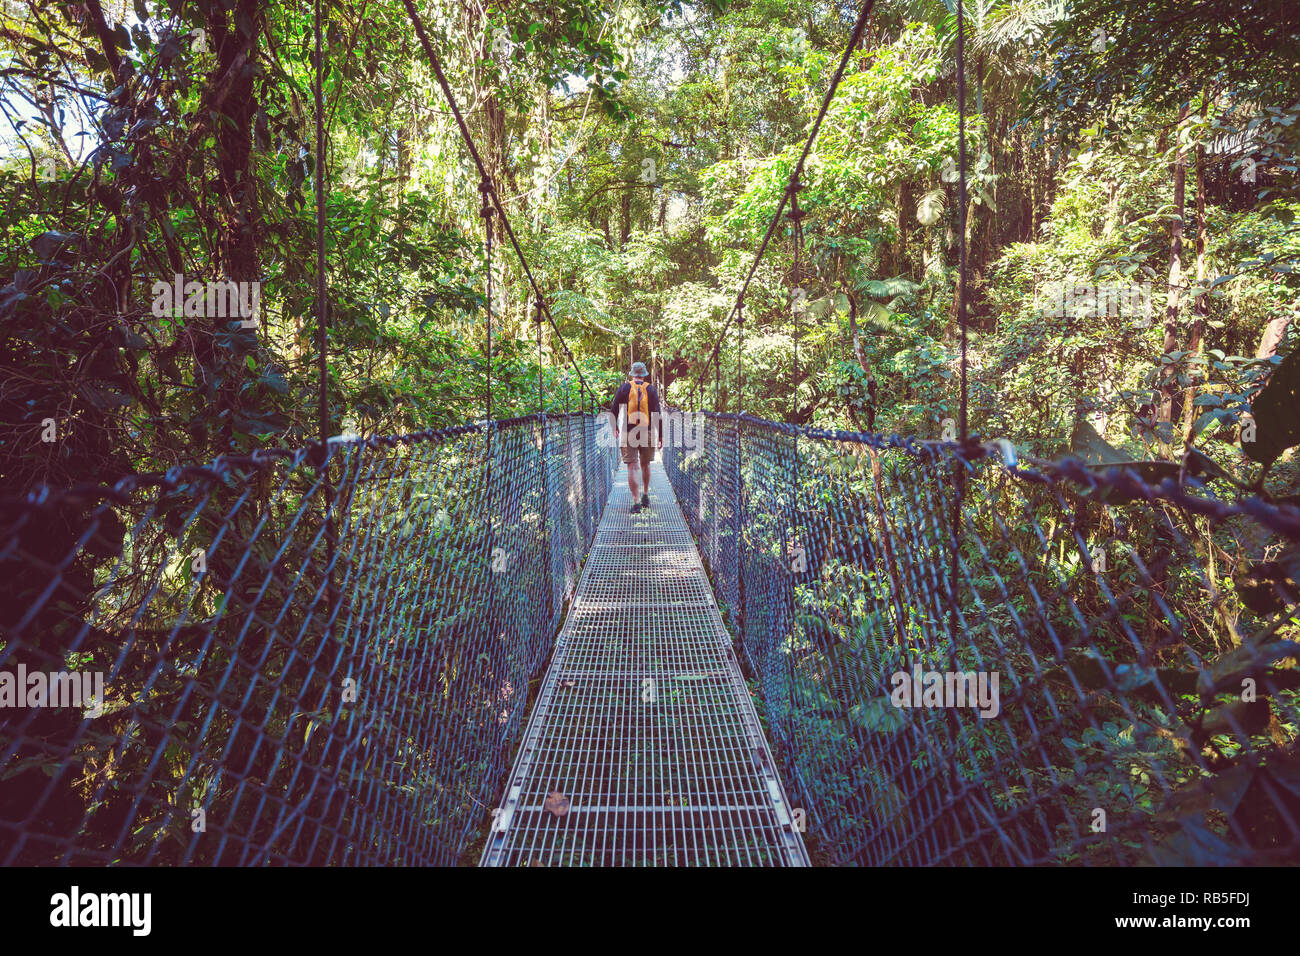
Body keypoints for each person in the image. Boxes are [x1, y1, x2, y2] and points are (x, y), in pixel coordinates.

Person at [607, 361, 663, 513]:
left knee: (632, 467)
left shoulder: (625, 387)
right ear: (644, 375)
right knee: (645, 464)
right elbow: (657, 414)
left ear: (632, 374)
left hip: (628, 430)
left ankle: (636, 502)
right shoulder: (650, 389)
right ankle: (645, 494)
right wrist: (660, 436)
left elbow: (613, 411)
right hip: (648, 430)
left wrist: (615, 428)